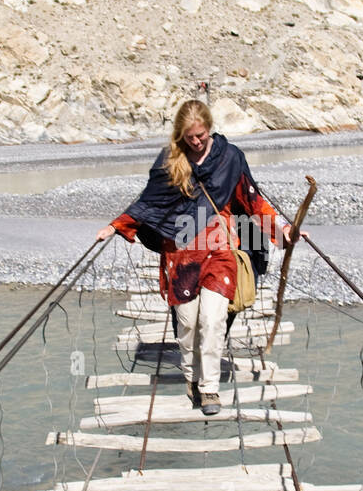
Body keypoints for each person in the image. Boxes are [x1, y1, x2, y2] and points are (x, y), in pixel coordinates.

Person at [96, 100, 296, 415]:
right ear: (181, 134)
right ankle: (192, 378)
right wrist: (117, 225)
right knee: (187, 324)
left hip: (220, 251)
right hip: (181, 254)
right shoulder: (170, 160)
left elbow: (253, 199)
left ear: (209, 127)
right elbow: (149, 202)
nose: (197, 142)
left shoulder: (230, 158)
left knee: (213, 320)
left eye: (201, 135)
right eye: (190, 137)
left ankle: (210, 390)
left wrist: (284, 227)